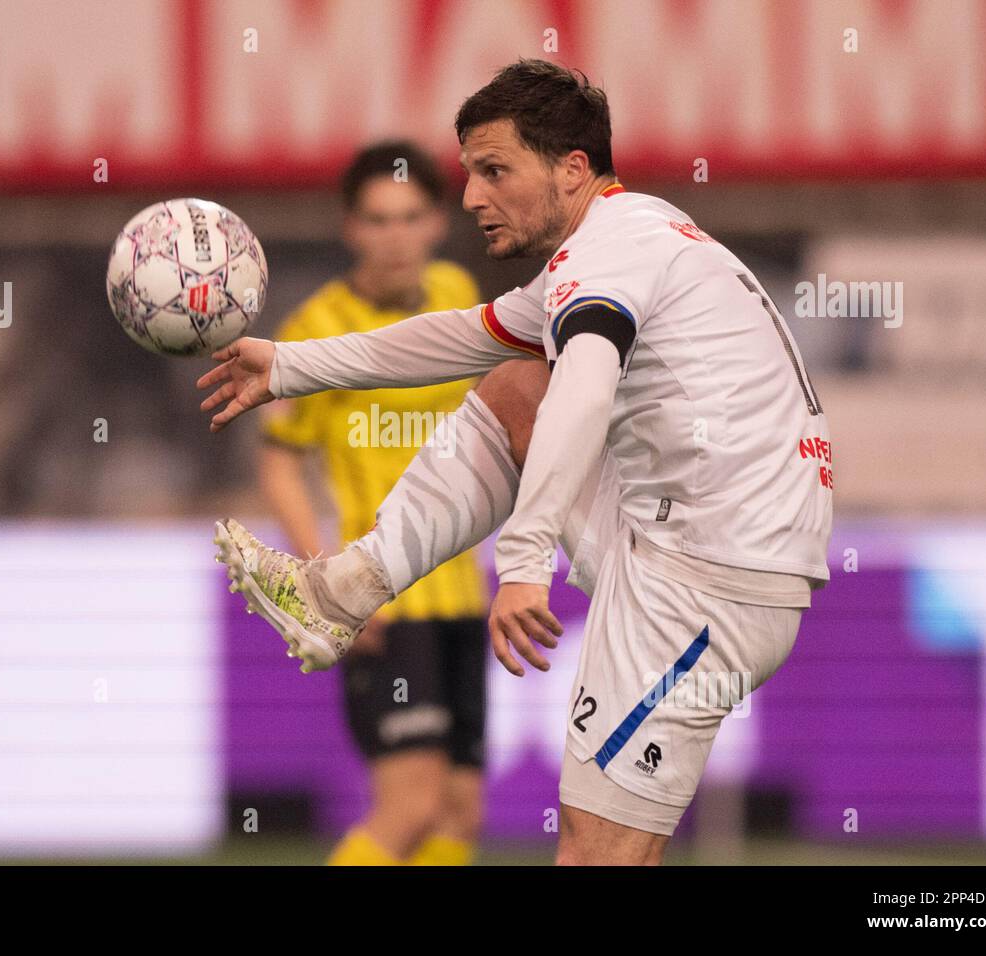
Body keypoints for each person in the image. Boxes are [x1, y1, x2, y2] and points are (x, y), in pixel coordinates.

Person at [201, 59, 833, 865]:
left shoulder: (608, 255)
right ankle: (344, 589)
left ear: (572, 169)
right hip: (683, 550)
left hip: (706, 585)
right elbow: (462, 338)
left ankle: (343, 590)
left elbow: (588, 392)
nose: (470, 197)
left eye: (495, 170)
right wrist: (288, 367)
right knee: (515, 388)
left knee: (594, 857)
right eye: (469, 173)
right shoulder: (614, 243)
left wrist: (525, 563)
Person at [257, 141, 491, 867]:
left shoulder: (458, 292)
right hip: (386, 601)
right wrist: (327, 580)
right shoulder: (315, 330)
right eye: (378, 220)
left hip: (461, 593)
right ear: (351, 228)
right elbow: (279, 463)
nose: (396, 236)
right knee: (411, 806)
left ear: (436, 223)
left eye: (411, 217)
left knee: (459, 810)